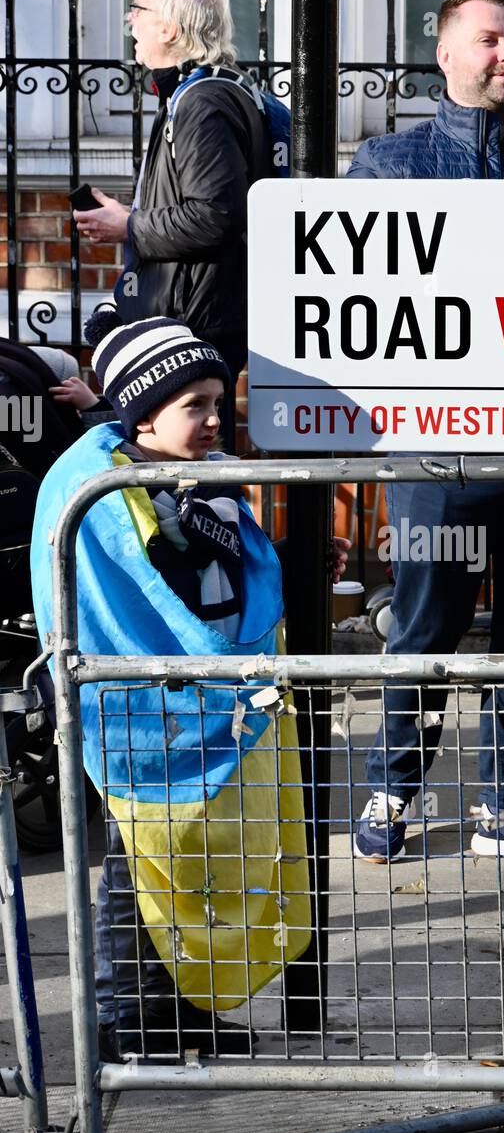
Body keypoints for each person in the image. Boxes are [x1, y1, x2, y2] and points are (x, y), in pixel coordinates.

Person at [347, 0, 504, 866]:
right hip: (437, 449)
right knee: (423, 627)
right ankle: (392, 784)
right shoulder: (388, 164)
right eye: (489, 40)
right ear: (446, 56)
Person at [29, 318, 319, 1059]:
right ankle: (123, 1020)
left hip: (207, 710)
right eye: (195, 403)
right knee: (138, 876)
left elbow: (223, 582)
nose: (216, 417)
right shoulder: (116, 492)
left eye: (219, 399)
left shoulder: (194, 479)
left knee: (191, 874)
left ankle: (173, 1009)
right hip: (152, 722)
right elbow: (143, 601)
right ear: (142, 412)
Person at [72, 0, 272, 451]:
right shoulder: (214, 91)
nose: (129, 23)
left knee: (186, 466)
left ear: (169, 28)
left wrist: (130, 226)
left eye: (136, 11)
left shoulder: (201, 102)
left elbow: (216, 215)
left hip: (193, 323)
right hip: (199, 313)